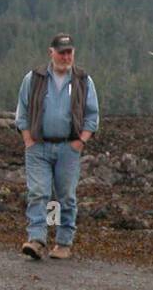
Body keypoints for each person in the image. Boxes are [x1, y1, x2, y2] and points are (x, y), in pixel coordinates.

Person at [15, 33, 100, 259]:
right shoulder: (34, 78)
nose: (66, 57)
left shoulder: (83, 80)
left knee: (66, 197)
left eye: (69, 52)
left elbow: (92, 115)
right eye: (61, 52)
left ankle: (63, 243)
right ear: (51, 52)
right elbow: (22, 111)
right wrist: (28, 139)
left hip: (68, 148)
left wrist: (80, 142)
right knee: (38, 192)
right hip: (38, 146)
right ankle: (36, 239)